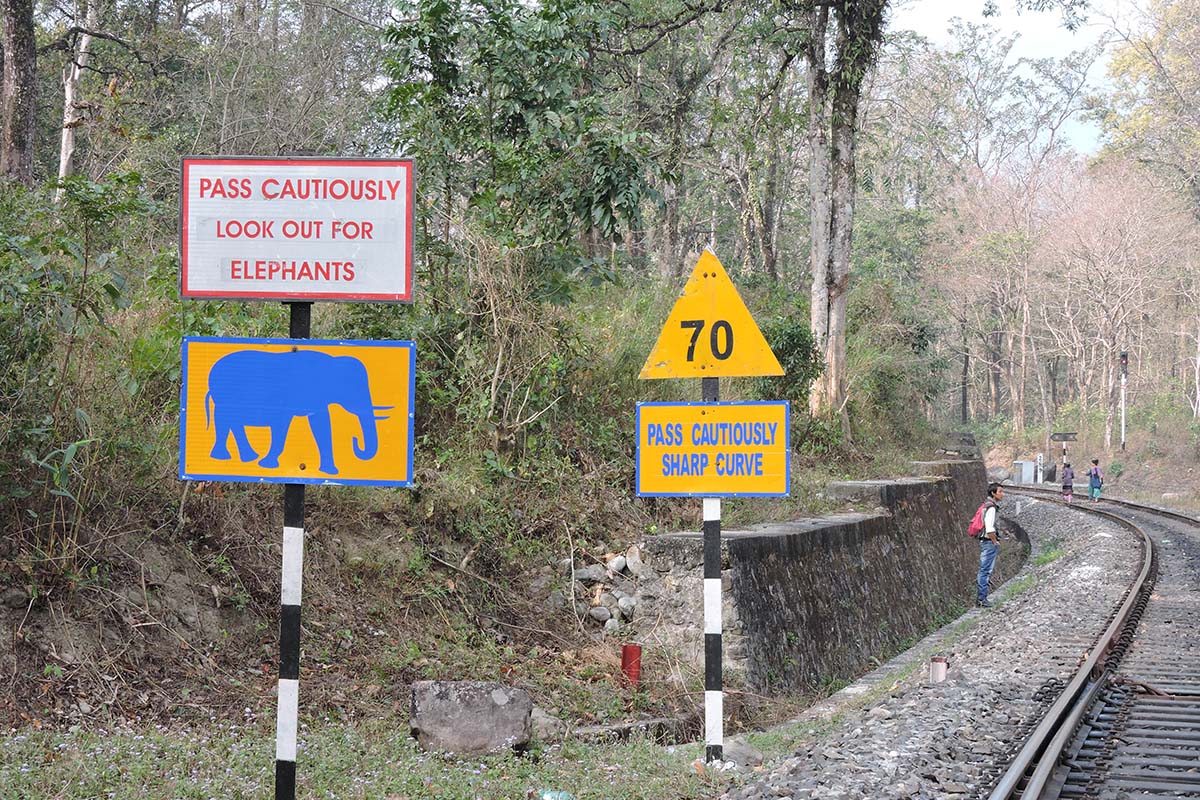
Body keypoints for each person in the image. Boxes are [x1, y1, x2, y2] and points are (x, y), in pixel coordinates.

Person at [977, 483, 1004, 608]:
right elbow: (989, 528)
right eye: (1000, 492)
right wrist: (995, 541)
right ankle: (982, 599)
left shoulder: (986, 505)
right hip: (988, 542)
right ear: (993, 493)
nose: (1002, 494)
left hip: (985, 541)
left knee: (984, 570)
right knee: (985, 571)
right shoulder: (991, 508)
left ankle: (982, 598)